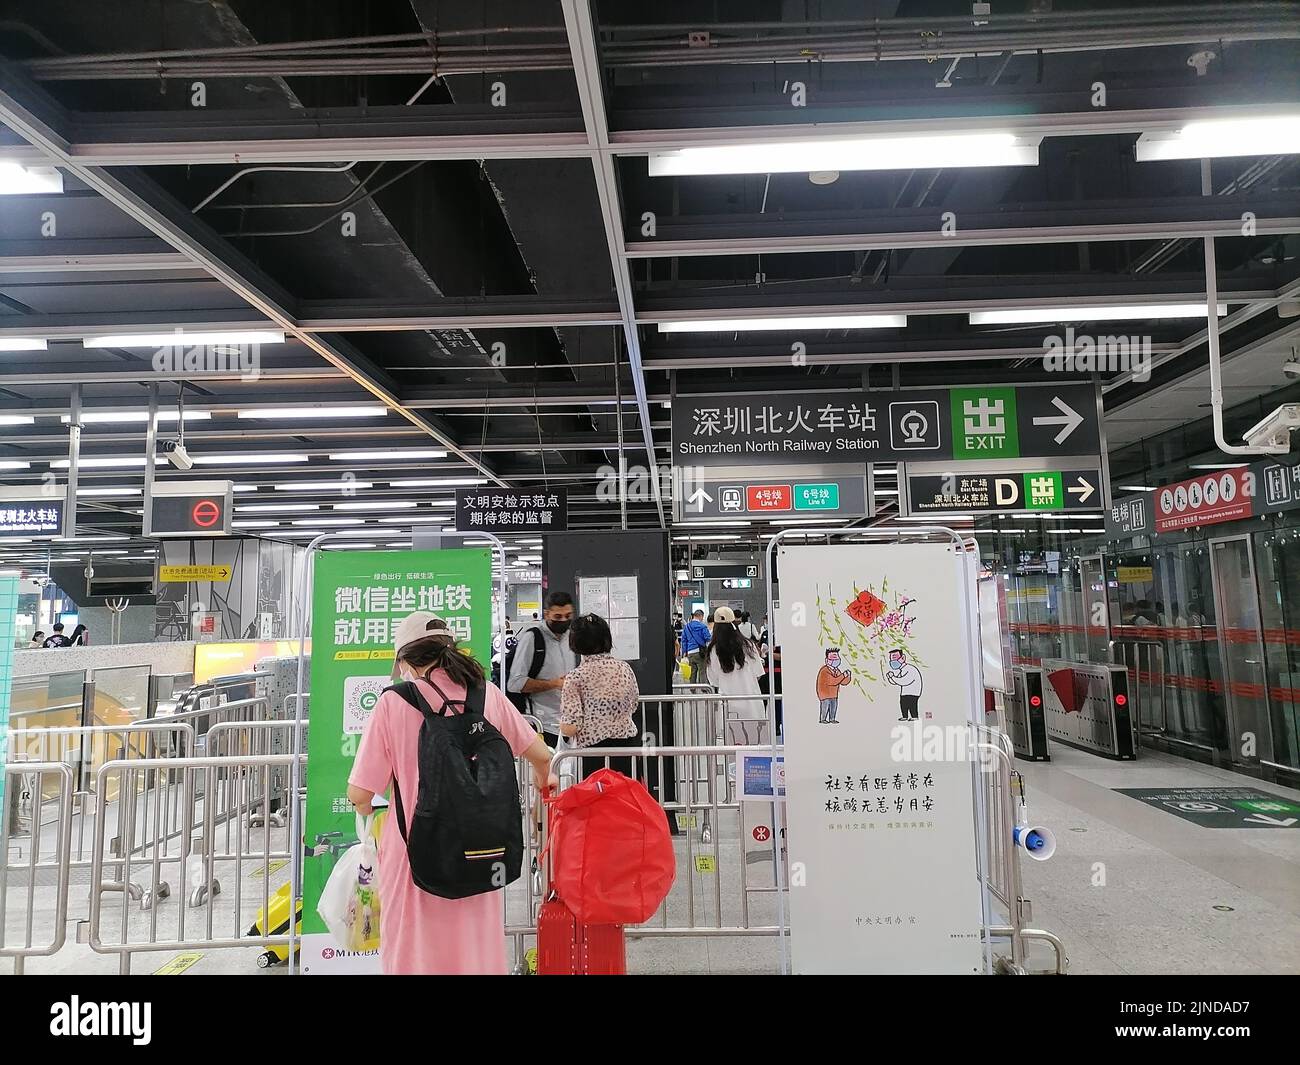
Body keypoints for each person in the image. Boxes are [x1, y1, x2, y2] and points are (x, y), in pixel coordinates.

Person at [346, 611, 557, 975]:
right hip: (481, 850)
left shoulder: (394, 702)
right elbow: (541, 756)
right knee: (475, 951)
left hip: (415, 855)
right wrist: (542, 780)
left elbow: (360, 793)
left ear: (405, 661)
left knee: (415, 955)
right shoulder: (485, 694)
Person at [559, 613, 639, 779]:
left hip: (593, 756)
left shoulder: (575, 677)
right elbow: (634, 704)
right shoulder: (624, 668)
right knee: (625, 802)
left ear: (575, 642)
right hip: (628, 749)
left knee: (597, 804)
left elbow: (571, 726)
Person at [506, 591, 577, 748]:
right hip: (541, 725)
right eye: (558, 617)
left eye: (568, 616)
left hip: (569, 726)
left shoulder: (572, 638)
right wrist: (554, 684)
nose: (564, 620)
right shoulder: (532, 638)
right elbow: (515, 683)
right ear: (547, 614)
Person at [703, 607, 765, 718]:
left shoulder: (713, 650)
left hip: (728, 705)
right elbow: (758, 674)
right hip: (752, 703)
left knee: (729, 734)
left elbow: (714, 681)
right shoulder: (748, 645)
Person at [886, 649, 923, 721]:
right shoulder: (902, 670)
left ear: (903, 658)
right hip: (905, 692)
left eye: (894, 658)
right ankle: (904, 716)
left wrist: (893, 677)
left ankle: (914, 716)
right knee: (903, 704)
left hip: (913, 693)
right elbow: (896, 681)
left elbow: (904, 681)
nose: (892, 661)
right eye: (891, 659)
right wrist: (890, 678)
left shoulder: (910, 669)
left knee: (912, 705)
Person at [816, 648, 852, 724]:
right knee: (825, 707)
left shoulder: (836, 670)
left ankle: (832, 719)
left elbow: (843, 682)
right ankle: (823, 719)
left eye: (837, 658)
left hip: (834, 694)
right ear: (827, 660)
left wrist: (848, 676)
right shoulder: (824, 670)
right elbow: (833, 681)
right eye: (832, 659)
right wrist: (843, 675)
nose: (835, 661)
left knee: (833, 707)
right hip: (825, 694)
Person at [679, 608, 712, 686]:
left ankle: (692, 689)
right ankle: (704, 688)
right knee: (702, 671)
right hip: (700, 652)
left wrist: (684, 652)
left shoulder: (687, 627)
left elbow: (684, 640)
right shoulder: (702, 626)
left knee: (693, 672)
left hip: (690, 652)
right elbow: (708, 637)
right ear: (700, 616)